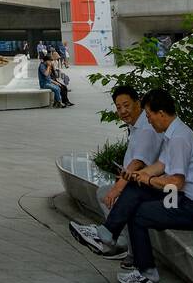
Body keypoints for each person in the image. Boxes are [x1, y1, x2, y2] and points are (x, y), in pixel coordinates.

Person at [74, 88, 193, 283]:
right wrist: (139, 176)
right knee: (135, 186)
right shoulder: (173, 132)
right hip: (179, 197)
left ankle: (146, 273)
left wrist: (147, 180)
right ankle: (106, 233)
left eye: (149, 116)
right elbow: (160, 166)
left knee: (139, 214)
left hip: (192, 207)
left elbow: (175, 182)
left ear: (161, 114)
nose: (148, 120)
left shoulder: (178, 139)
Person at [69, 84, 164, 262]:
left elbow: (139, 162)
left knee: (114, 196)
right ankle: (117, 243)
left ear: (138, 103)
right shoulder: (138, 125)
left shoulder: (146, 127)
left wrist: (119, 187)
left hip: (157, 188)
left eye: (126, 105)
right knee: (105, 193)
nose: (123, 111)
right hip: (144, 183)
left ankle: (120, 245)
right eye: (119, 107)